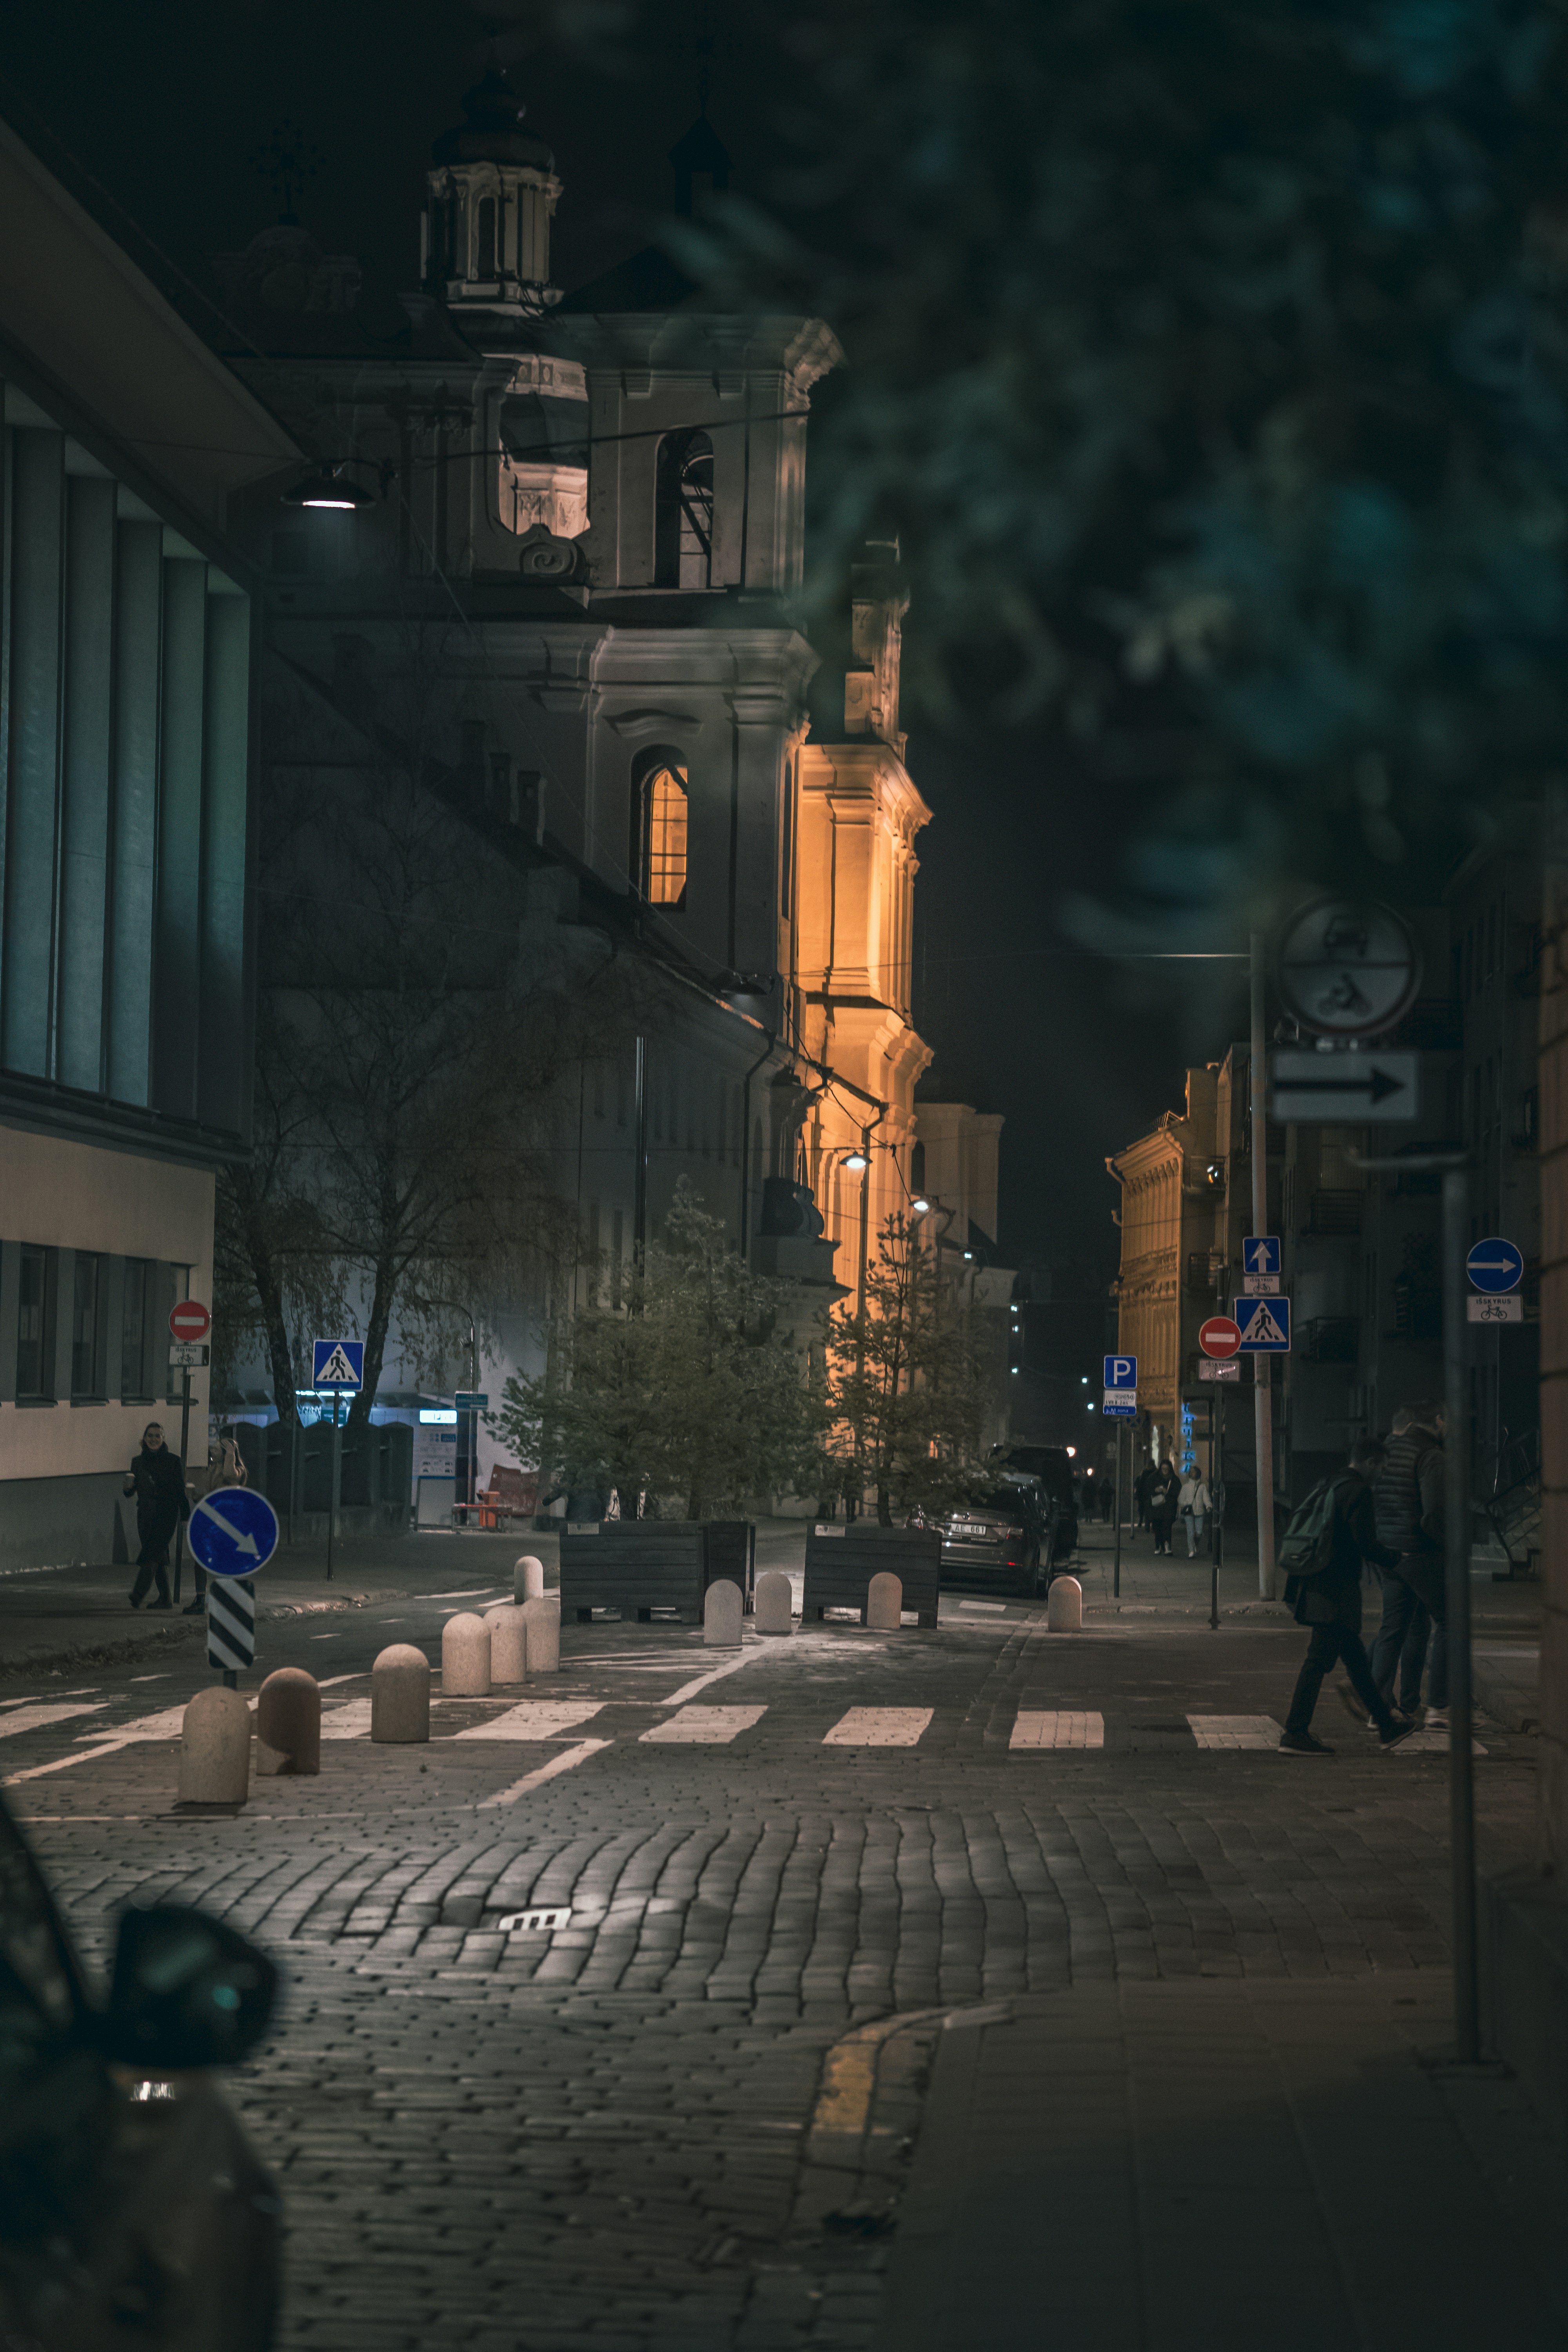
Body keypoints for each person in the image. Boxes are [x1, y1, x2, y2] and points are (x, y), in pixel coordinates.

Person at [1279, 1437, 1418, 1754]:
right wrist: (1398, 1560)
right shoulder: (1359, 1492)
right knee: (1318, 1662)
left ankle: (1386, 1726)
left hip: (1319, 1585)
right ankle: (1295, 1732)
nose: (1381, 1475)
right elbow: (1365, 1543)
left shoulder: (1331, 1483)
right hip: (1336, 1592)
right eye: (1381, 1468)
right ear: (1370, 1462)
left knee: (1356, 1662)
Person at [1370, 1401, 1448, 1733]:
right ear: (1439, 1422)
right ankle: (1440, 1707)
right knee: (1449, 1621)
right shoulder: (1431, 1455)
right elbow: (1434, 1515)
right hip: (1419, 1552)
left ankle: (1379, 1708)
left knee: (1395, 1627)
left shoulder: (1386, 1450)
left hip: (1388, 1552)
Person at [124, 1423, 189, 1610]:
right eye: (150, 1436)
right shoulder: (137, 1462)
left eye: (157, 1436)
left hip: (166, 1514)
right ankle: (166, 1599)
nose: (153, 1440)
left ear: (163, 1439)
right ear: (144, 1438)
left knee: (152, 1553)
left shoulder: (173, 1461)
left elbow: (180, 1491)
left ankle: (138, 1594)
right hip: (145, 1514)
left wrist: (186, 1516)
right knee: (157, 1555)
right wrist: (127, 1489)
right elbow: (132, 1491)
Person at [1178, 1466, 1211, 1557]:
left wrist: (1208, 1506)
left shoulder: (1202, 1487)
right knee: (1191, 1532)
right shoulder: (1186, 1487)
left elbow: (1206, 1498)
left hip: (1199, 1512)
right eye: (1191, 1472)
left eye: (1194, 1472)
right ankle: (1191, 1550)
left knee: (1199, 1532)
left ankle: (1195, 1544)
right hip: (1189, 1512)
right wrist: (1187, 1503)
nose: (1192, 1473)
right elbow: (1180, 1499)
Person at [1148, 1461, 1180, 1555]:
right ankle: (1158, 1544)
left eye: (1167, 1469)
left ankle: (1167, 1545)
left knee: (1167, 1526)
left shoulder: (1174, 1479)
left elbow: (1178, 1491)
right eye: (1163, 1469)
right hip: (1157, 1506)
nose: (1165, 1471)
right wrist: (1155, 1490)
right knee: (1157, 1526)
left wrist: (1168, 1492)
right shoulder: (1154, 1477)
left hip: (1169, 1506)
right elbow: (1147, 1489)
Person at [1133, 1463, 1156, 1530]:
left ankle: (1146, 1525)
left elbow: (1140, 1485)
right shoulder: (1156, 1473)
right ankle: (1153, 1525)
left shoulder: (1144, 1474)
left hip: (1145, 1496)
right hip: (1153, 1495)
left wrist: (1137, 1494)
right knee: (1153, 1511)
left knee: (1146, 1510)